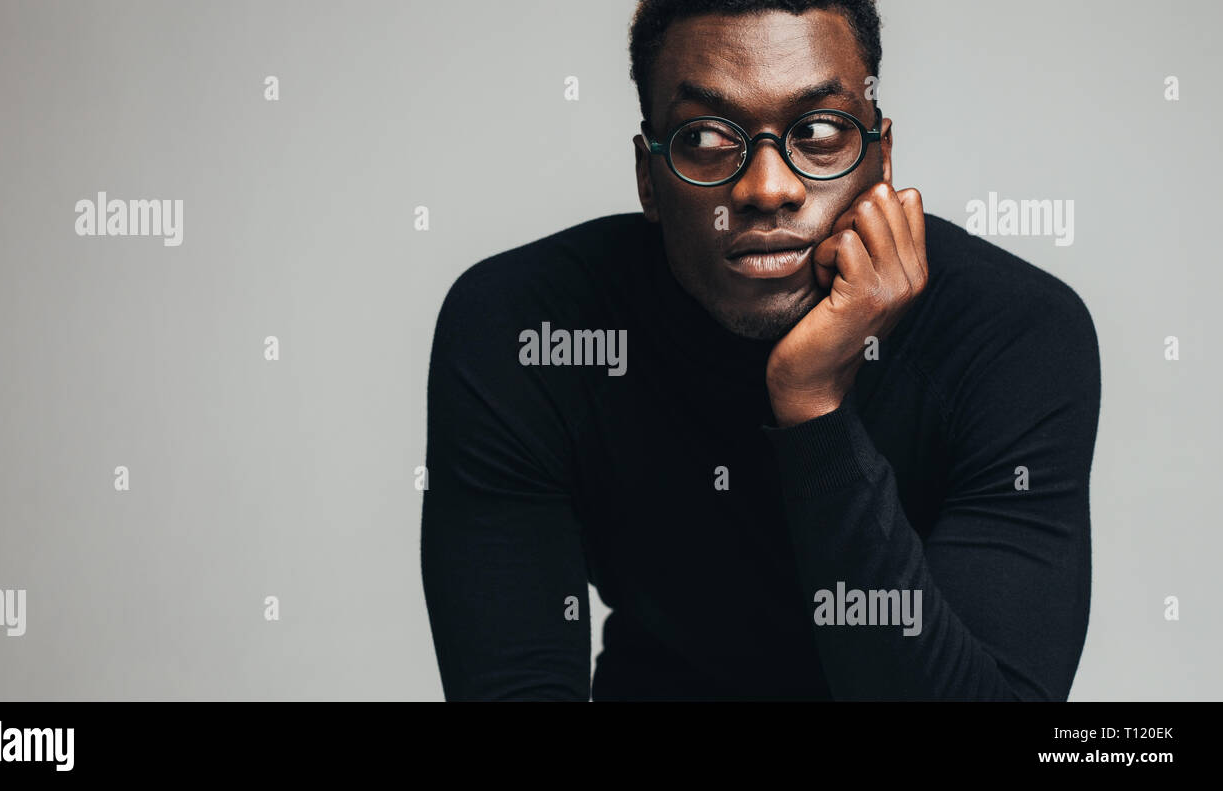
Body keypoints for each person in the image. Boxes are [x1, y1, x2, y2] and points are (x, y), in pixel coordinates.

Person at [420, 0, 1100, 700]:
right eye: (708, 138)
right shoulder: (532, 331)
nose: (768, 188)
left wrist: (814, 410)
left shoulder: (1013, 334)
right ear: (648, 177)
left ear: (882, 158)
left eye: (821, 131)